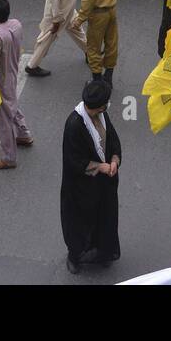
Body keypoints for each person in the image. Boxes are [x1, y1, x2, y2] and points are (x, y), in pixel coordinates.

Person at [61, 78, 122, 273]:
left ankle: (102, 251)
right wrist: (101, 167)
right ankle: (75, 256)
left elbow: (112, 139)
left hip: (103, 185)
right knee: (80, 223)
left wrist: (114, 159)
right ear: (99, 105)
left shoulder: (103, 116)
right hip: (81, 189)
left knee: (105, 219)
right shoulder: (74, 124)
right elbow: (74, 161)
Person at [0, 0, 33, 171]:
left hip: (1, 81)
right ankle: (23, 134)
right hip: (13, 72)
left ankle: (9, 157)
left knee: (4, 118)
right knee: (12, 105)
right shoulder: (16, 25)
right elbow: (8, 42)